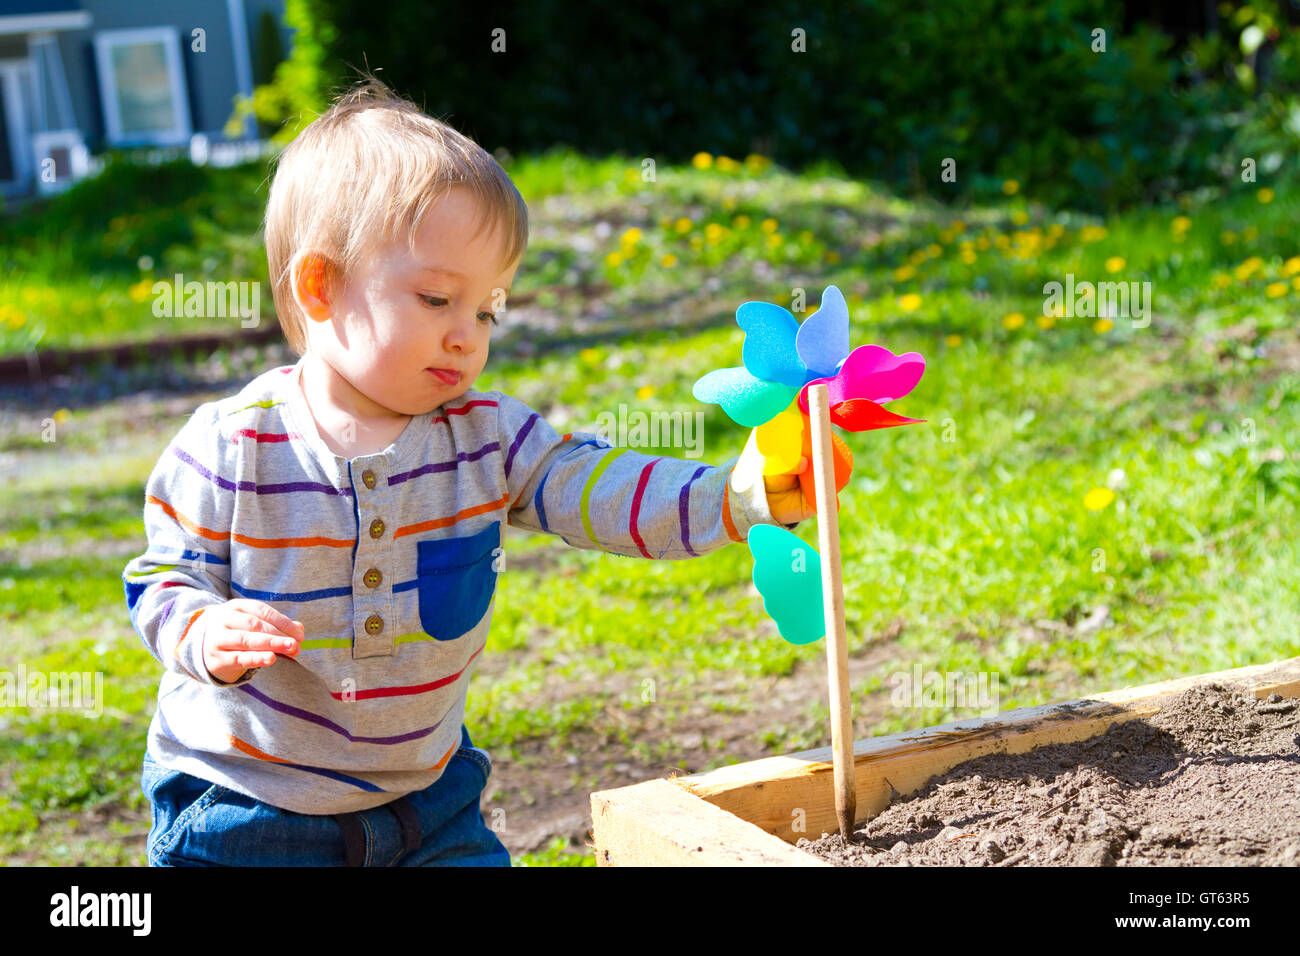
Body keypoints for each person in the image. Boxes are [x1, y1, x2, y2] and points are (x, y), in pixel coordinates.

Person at [122, 77, 814, 867]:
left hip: (429, 805)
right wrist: (204, 630)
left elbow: (602, 491)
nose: (467, 336)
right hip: (249, 807)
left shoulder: (489, 438)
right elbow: (163, 576)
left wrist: (739, 493)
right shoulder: (230, 446)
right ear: (321, 287)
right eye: (436, 298)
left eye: (486, 310)